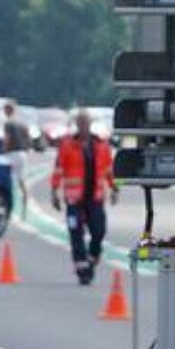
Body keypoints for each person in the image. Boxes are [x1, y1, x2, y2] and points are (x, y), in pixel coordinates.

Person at [51, 109, 117, 285]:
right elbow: (58, 169)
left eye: (86, 123)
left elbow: (109, 170)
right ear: (77, 125)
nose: (83, 126)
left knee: (99, 231)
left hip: (95, 197)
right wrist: (54, 192)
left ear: (90, 124)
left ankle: (93, 257)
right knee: (76, 233)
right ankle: (82, 268)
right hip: (74, 199)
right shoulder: (67, 145)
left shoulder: (101, 145)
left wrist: (115, 188)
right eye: (80, 123)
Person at [2, 101, 31, 215]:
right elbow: (29, 139)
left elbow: (7, 139)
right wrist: (27, 150)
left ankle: (11, 205)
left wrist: (3, 150)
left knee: (9, 179)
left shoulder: (9, 123)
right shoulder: (23, 123)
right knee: (21, 179)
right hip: (23, 153)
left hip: (12, 153)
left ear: (8, 110)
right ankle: (24, 205)